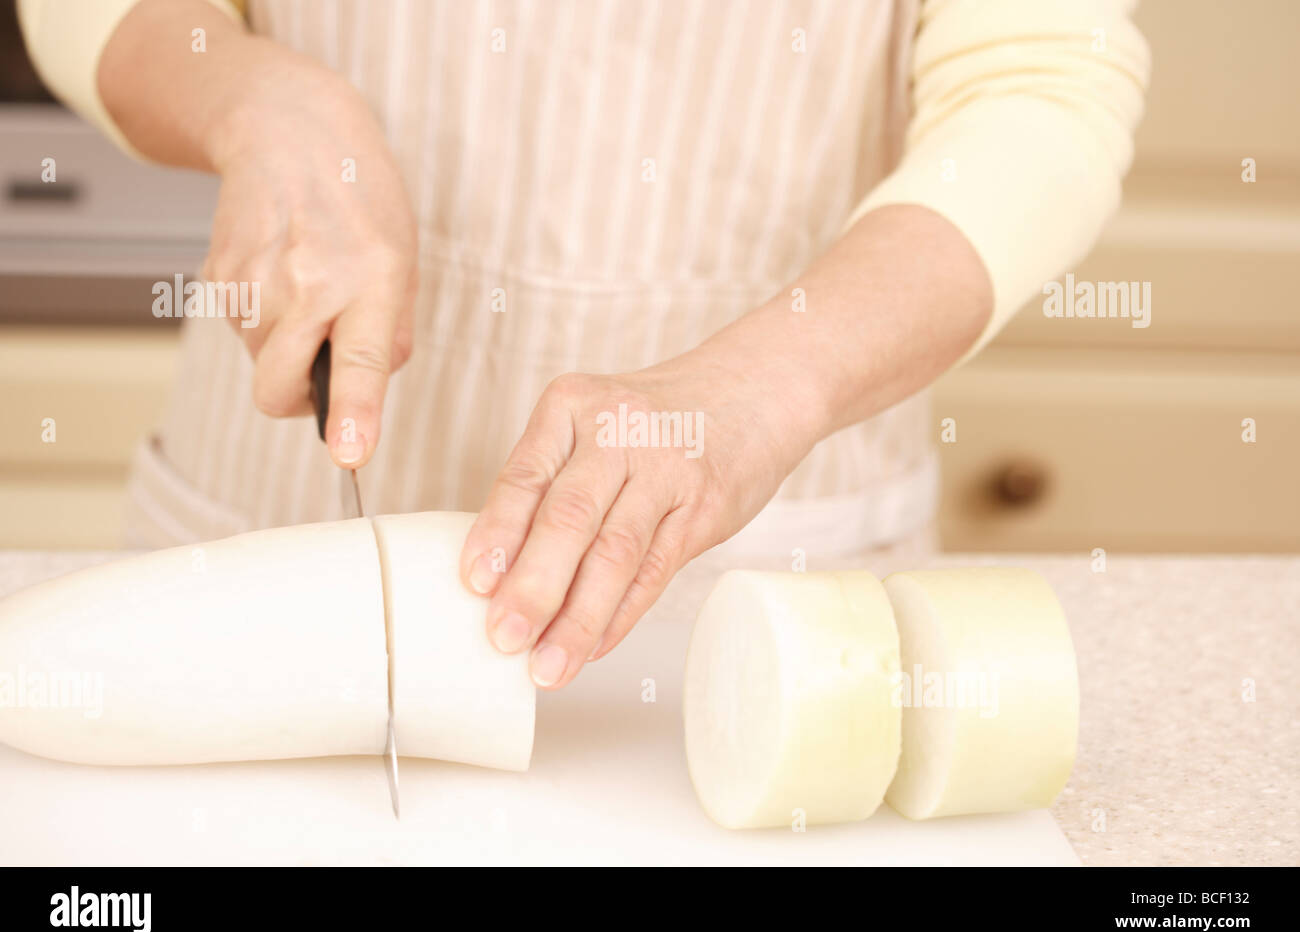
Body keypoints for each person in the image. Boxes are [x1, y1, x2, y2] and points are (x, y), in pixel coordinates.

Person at [19, 0, 1149, 689]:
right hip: (275, 487)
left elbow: (1039, 85)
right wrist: (251, 95)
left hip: (768, 542)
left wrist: (772, 379)